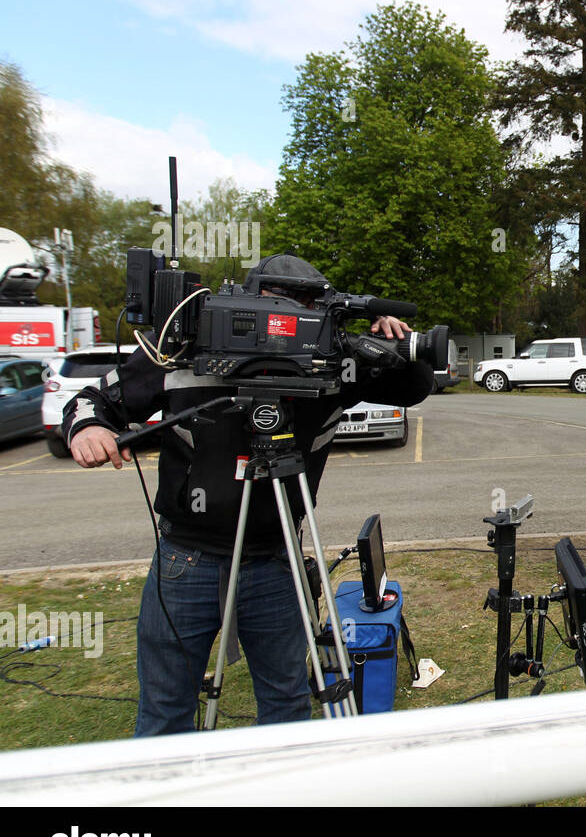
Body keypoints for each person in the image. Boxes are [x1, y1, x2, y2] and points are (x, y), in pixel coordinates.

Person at [64, 254, 434, 736]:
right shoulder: (186, 341)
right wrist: (88, 427)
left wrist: (397, 344)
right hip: (186, 561)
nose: (286, 316)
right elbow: (95, 400)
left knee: (285, 701)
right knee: (165, 707)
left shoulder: (331, 350)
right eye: (276, 302)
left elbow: (413, 388)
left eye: (302, 303)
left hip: (274, 561)